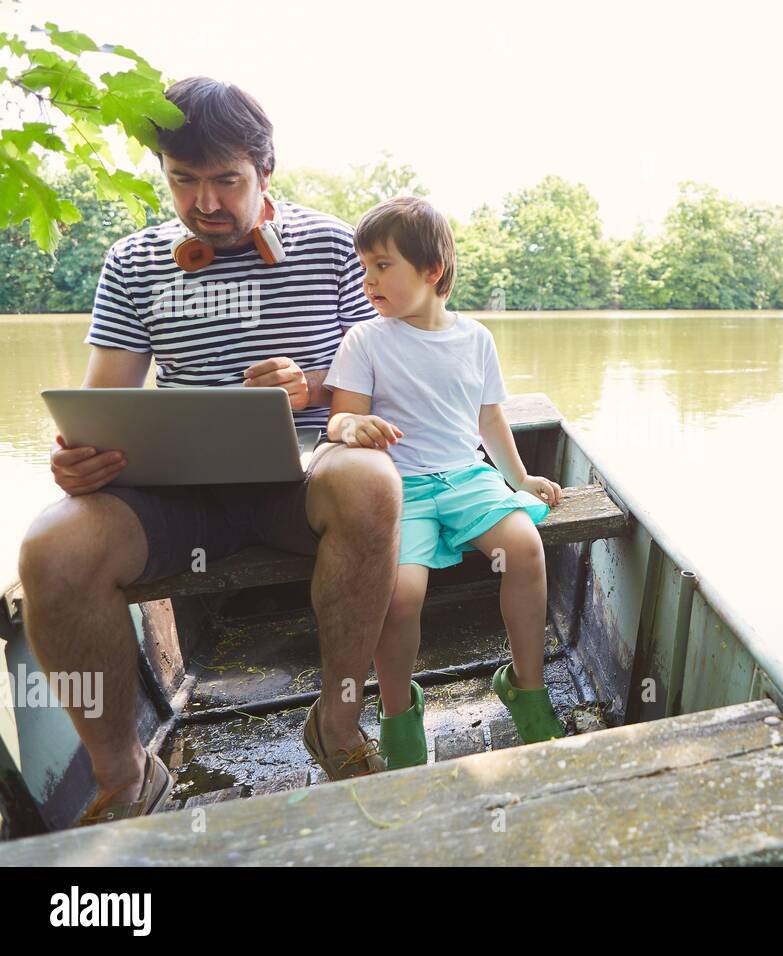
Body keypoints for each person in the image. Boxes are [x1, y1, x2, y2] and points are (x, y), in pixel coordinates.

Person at [18, 77, 399, 827]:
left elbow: (388, 388)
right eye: (183, 181)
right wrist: (77, 461)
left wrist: (315, 385)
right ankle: (125, 777)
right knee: (51, 545)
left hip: (303, 476)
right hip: (175, 496)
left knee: (372, 483)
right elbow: (104, 406)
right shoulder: (132, 262)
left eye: (226, 180)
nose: (206, 203)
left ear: (266, 172)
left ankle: (338, 724)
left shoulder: (333, 247)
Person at [324, 196, 566, 769]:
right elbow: (339, 419)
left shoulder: (475, 338)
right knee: (401, 594)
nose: (368, 280)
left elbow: (488, 420)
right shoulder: (365, 340)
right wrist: (352, 424)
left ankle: (526, 688)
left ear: (432, 271)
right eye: (364, 267)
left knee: (524, 548)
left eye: (383, 266)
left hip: (466, 477)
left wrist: (520, 478)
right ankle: (397, 712)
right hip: (397, 487)